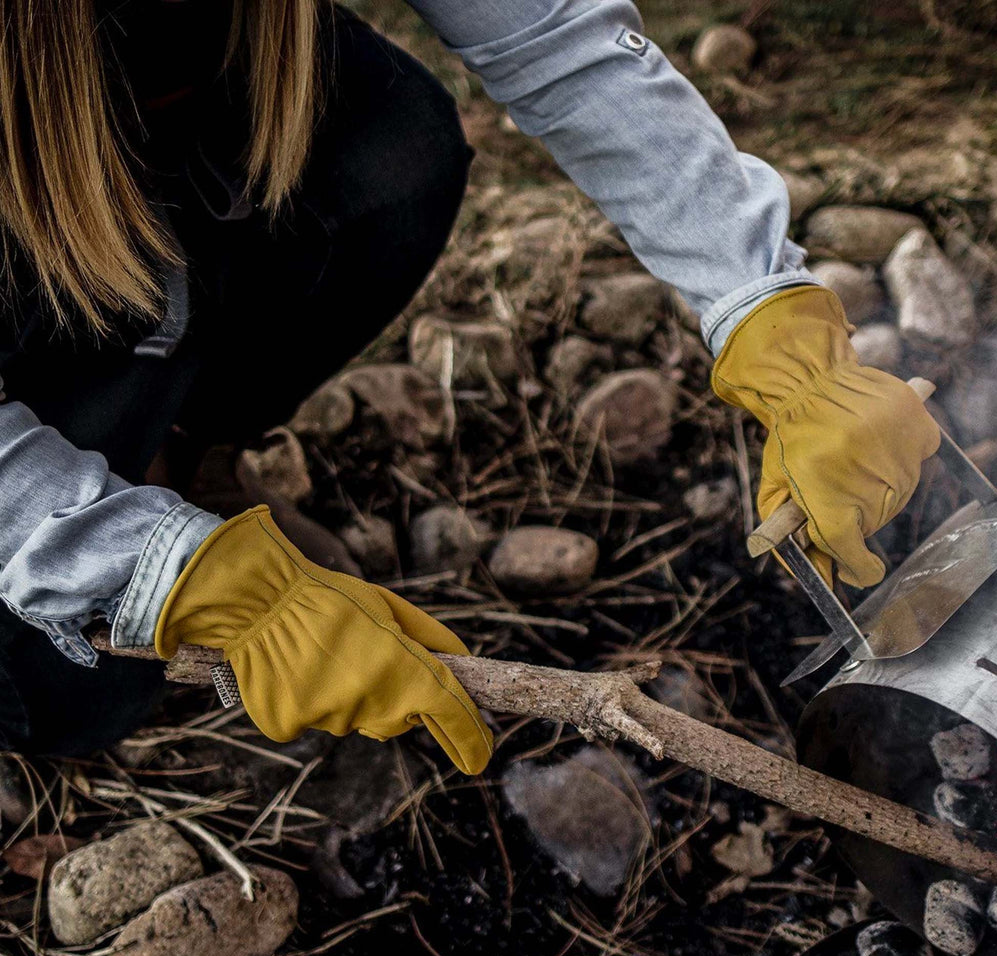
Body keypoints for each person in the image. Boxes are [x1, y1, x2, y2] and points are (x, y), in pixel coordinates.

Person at [0, 0, 938, 768]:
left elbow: (559, 42)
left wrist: (768, 308)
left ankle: (181, 455)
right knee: (70, 699)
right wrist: (148, 567)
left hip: (158, 119)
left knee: (390, 140)